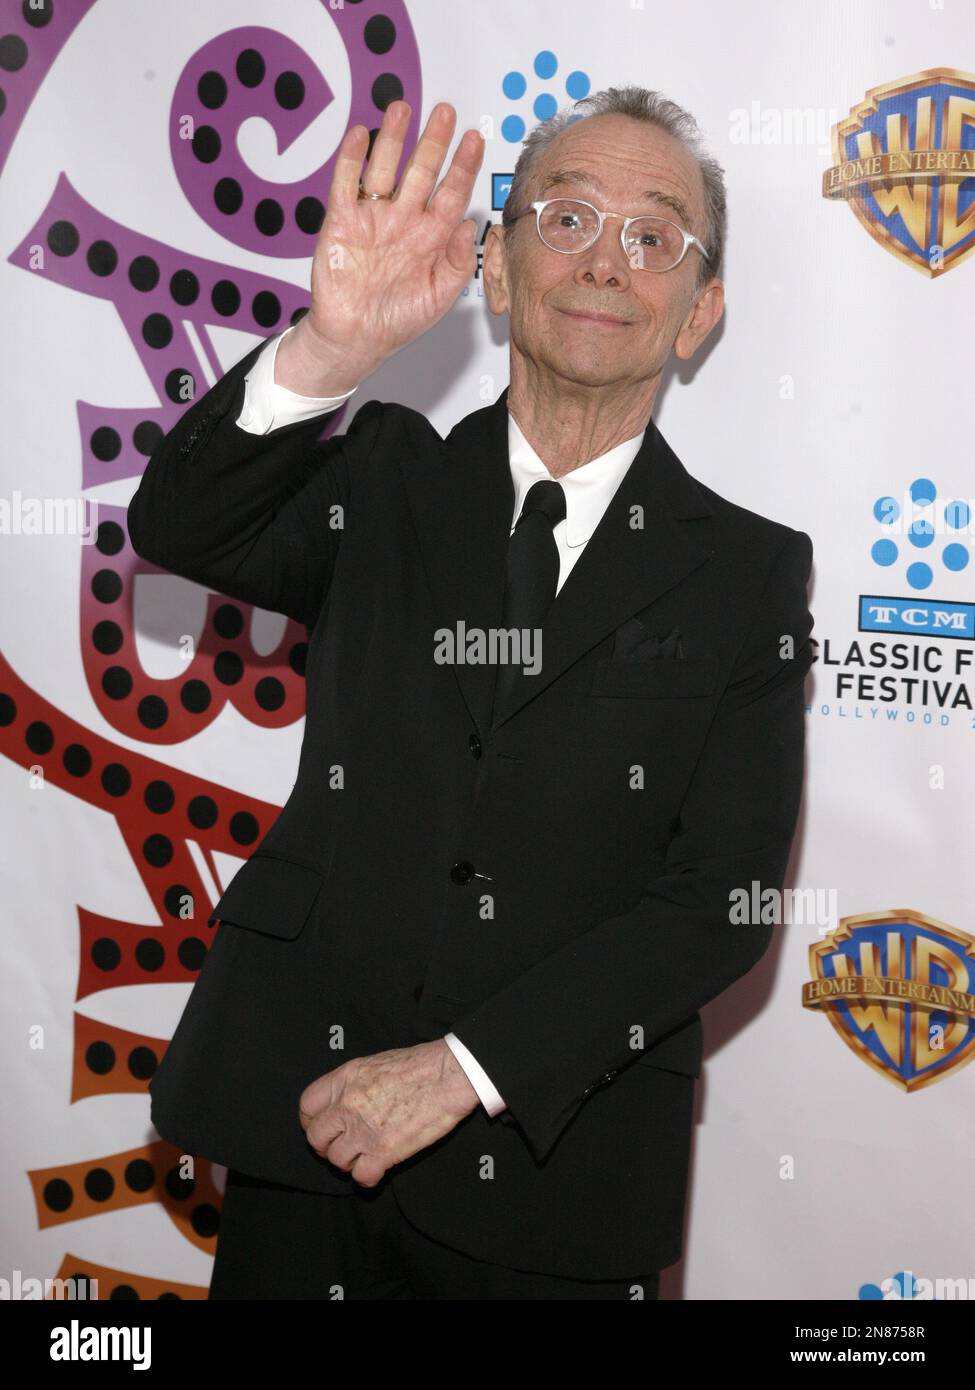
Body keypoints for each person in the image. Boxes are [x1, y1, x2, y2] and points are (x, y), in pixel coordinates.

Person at [127, 85, 814, 1300]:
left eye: (656, 236)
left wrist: (461, 1068)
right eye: (567, 218)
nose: (607, 258)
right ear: (493, 271)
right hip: (301, 1129)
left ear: (699, 312)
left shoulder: (750, 572)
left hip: (555, 1171)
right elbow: (180, 522)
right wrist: (331, 348)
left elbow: (721, 900)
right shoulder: (382, 475)